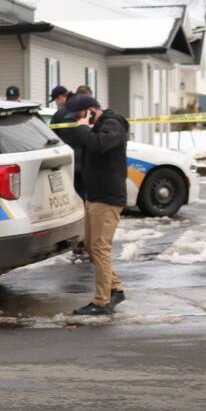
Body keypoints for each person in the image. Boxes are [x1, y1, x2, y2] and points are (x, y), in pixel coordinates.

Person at [63, 94, 128, 316]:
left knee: (100, 247)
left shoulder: (113, 124)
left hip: (108, 198)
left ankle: (102, 302)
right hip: (94, 195)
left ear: (91, 110)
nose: (77, 120)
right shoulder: (97, 126)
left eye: (79, 115)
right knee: (91, 245)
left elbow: (100, 145)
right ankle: (116, 288)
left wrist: (83, 128)